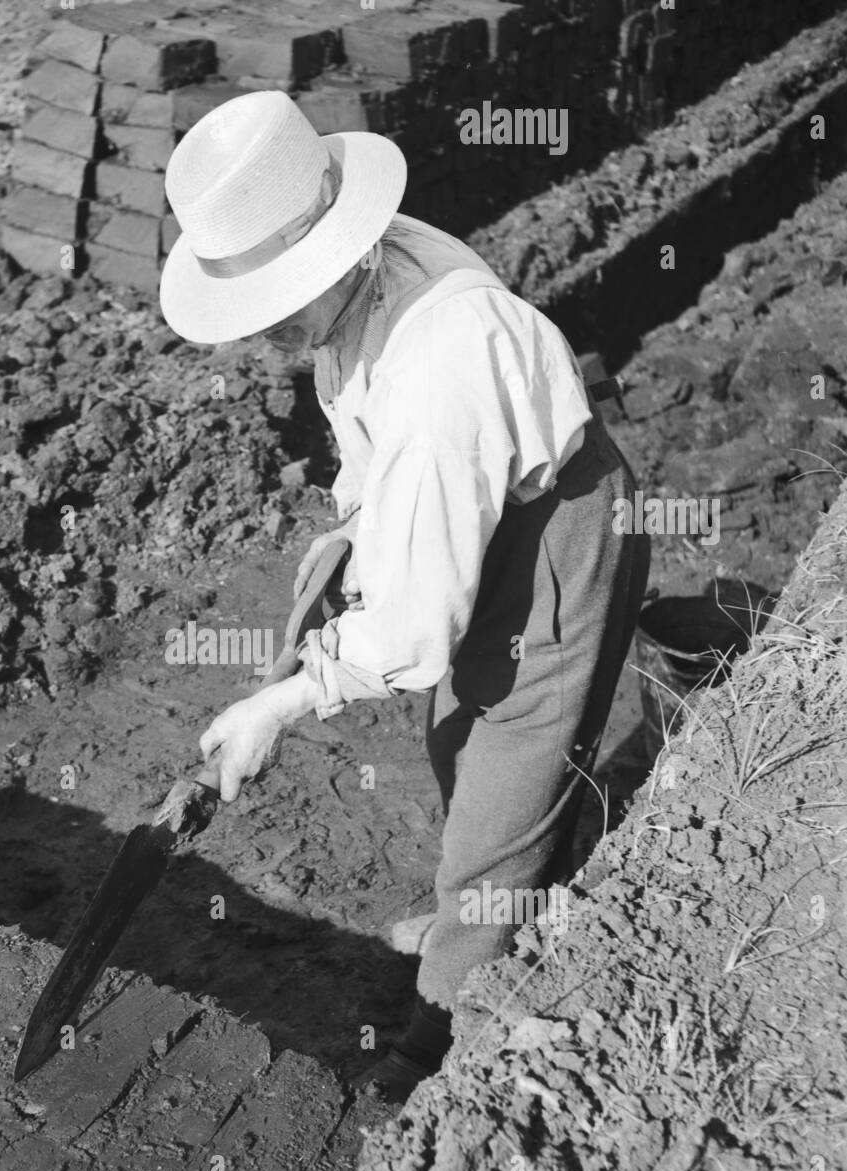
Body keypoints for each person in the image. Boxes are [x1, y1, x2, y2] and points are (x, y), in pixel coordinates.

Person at [158, 91, 650, 1103]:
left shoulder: (441, 364)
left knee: (505, 769)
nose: (269, 338)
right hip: (479, 498)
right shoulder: (368, 271)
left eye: (276, 307)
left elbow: (419, 630)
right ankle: (486, 901)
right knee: (451, 740)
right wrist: (352, 524)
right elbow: (372, 429)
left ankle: (449, 1029)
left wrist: (286, 701)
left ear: (338, 256)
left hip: (557, 535)